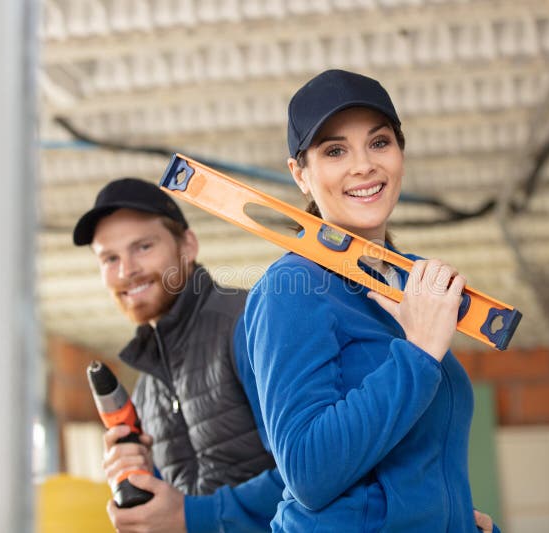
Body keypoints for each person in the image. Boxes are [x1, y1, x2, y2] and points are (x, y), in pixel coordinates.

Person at [243, 69, 501, 532]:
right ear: (300, 175)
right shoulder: (292, 290)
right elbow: (307, 471)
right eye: (335, 150)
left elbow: (411, 458)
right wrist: (419, 352)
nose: (363, 165)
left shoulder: (410, 282)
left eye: (379, 143)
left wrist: (452, 517)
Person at [72, 177, 284, 532]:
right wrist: (145, 483)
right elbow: (181, 505)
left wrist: (192, 515)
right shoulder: (146, 389)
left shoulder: (248, 324)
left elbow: (315, 475)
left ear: (187, 245)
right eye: (109, 258)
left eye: (143, 247)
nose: (127, 270)